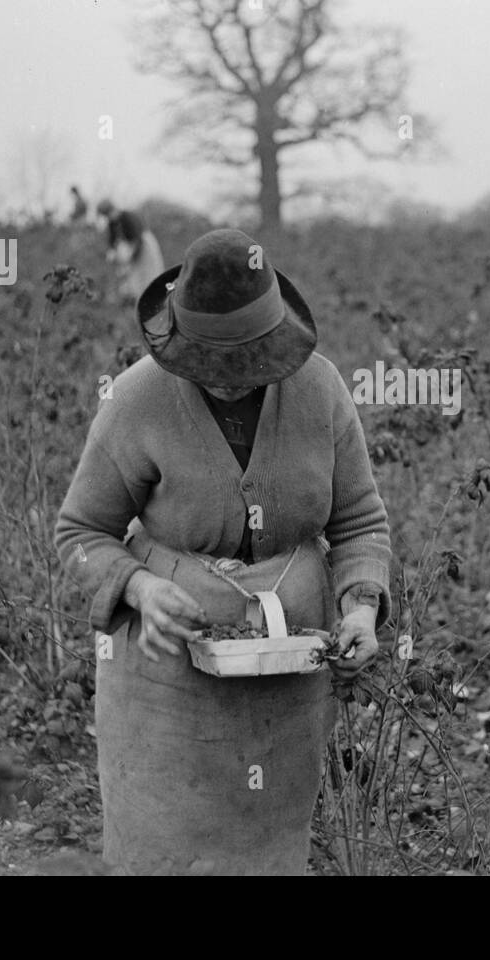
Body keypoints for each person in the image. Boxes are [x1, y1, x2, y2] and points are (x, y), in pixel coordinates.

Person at [55, 228, 392, 875]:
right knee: (164, 854)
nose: (232, 383)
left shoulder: (319, 391)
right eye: (213, 367)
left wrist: (359, 609)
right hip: (165, 685)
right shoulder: (137, 399)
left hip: (288, 678)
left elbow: (359, 521)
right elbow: (80, 534)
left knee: (267, 852)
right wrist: (140, 589)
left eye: (248, 364)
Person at [96, 198, 166, 302]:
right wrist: (112, 253)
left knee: (150, 274)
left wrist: (130, 259)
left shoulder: (127, 217)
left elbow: (137, 240)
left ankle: (157, 299)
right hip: (130, 250)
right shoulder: (112, 224)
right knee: (135, 279)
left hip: (144, 247)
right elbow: (112, 241)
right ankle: (141, 301)